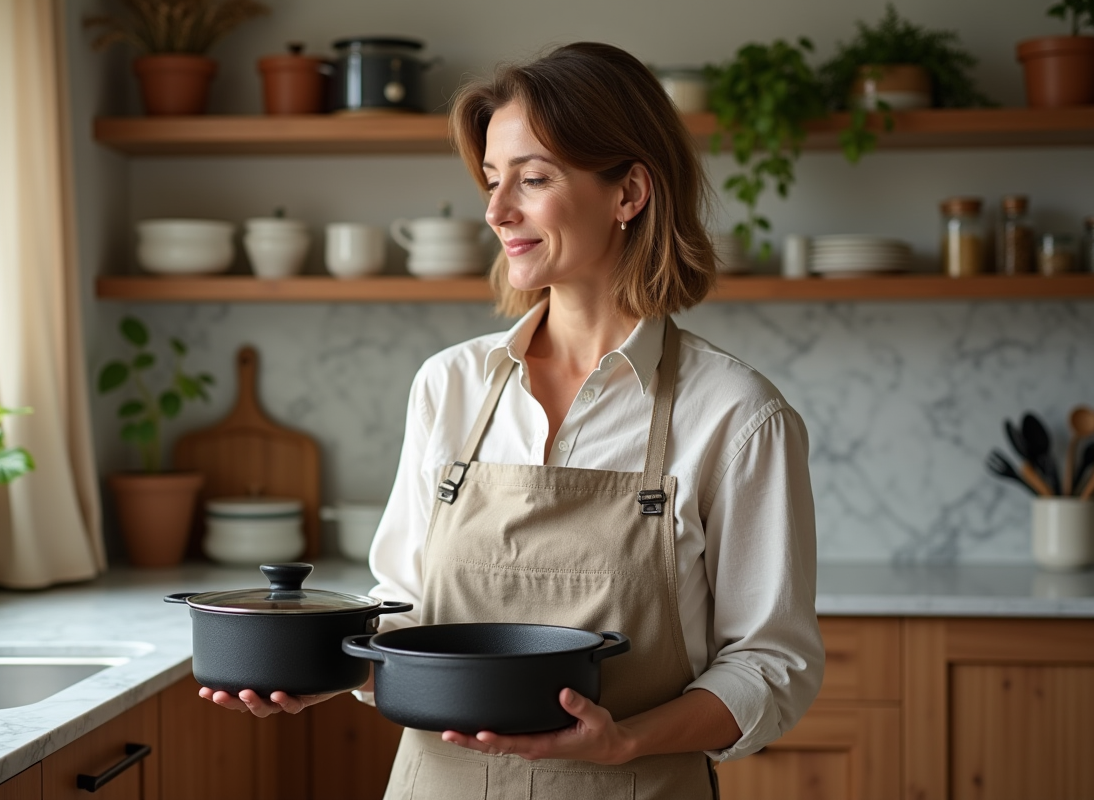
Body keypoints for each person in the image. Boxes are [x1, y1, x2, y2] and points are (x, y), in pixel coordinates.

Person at [203, 41, 823, 800]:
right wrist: (316, 673)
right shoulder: (451, 386)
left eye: (532, 179)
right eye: (493, 181)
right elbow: (403, 614)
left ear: (628, 193)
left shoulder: (735, 414)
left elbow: (771, 666)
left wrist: (625, 741)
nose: (497, 212)